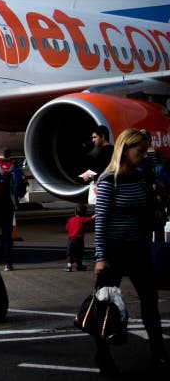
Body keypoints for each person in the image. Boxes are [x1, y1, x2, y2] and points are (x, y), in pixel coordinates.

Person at [91, 128, 168, 375]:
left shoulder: (140, 178)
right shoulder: (108, 180)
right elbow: (100, 220)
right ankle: (102, 356)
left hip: (138, 248)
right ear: (125, 150)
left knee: (150, 302)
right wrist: (100, 256)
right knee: (105, 304)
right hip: (113, 250)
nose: (145, 155)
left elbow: (147, 208)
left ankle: (159, 354)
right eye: (140, 151)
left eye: (146, 151)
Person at [64, 203, 94, 271]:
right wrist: (96, 215)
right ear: (84, 213)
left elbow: (67, 228)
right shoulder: (83, 219)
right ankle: (79, 265)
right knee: (79, 253)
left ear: (75, 212)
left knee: (70, 252)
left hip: (72, 239)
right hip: (80, 240)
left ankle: (69, 266)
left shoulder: (71, 219)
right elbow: (90, 218)